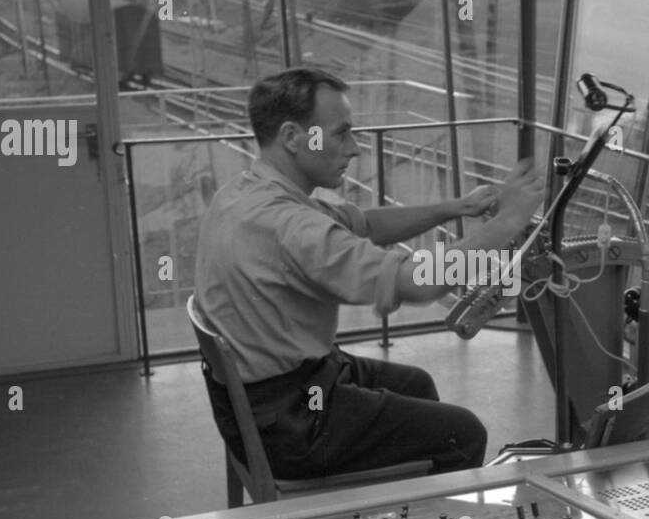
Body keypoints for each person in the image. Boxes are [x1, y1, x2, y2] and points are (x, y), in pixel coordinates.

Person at [195, 67, 544, 481]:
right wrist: (507, 224)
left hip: (268, 398)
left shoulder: (246, 193)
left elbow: (366, 225)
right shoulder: (290, 226)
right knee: (463, 434)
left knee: (416, 383)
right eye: (341, 134)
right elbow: (416, 282)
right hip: (293, 423)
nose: (355, 148)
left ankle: (407, 504)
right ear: (291, 137)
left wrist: (457, 207)